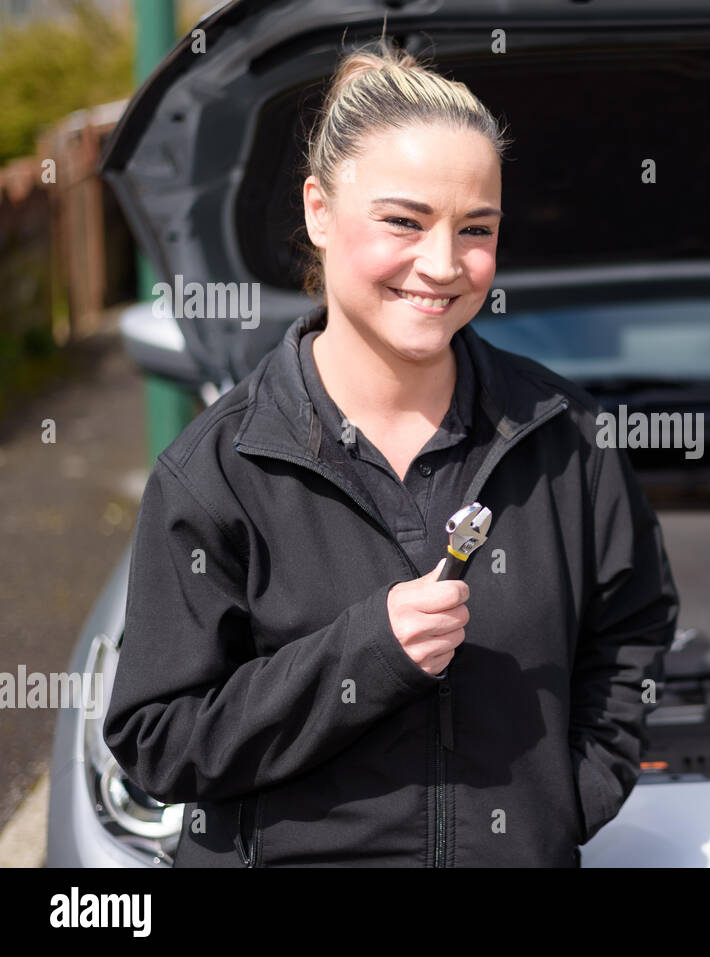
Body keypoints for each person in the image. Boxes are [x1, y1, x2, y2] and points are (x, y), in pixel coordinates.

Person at [103, 39, 680, 867]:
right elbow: (159, 740)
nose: (443, 265)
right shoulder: (218, 470)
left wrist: (568, 800)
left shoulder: (567, 437)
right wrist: (368, 653)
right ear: (318, 211)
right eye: (404, 221)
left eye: (475, 228)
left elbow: (634, 629)